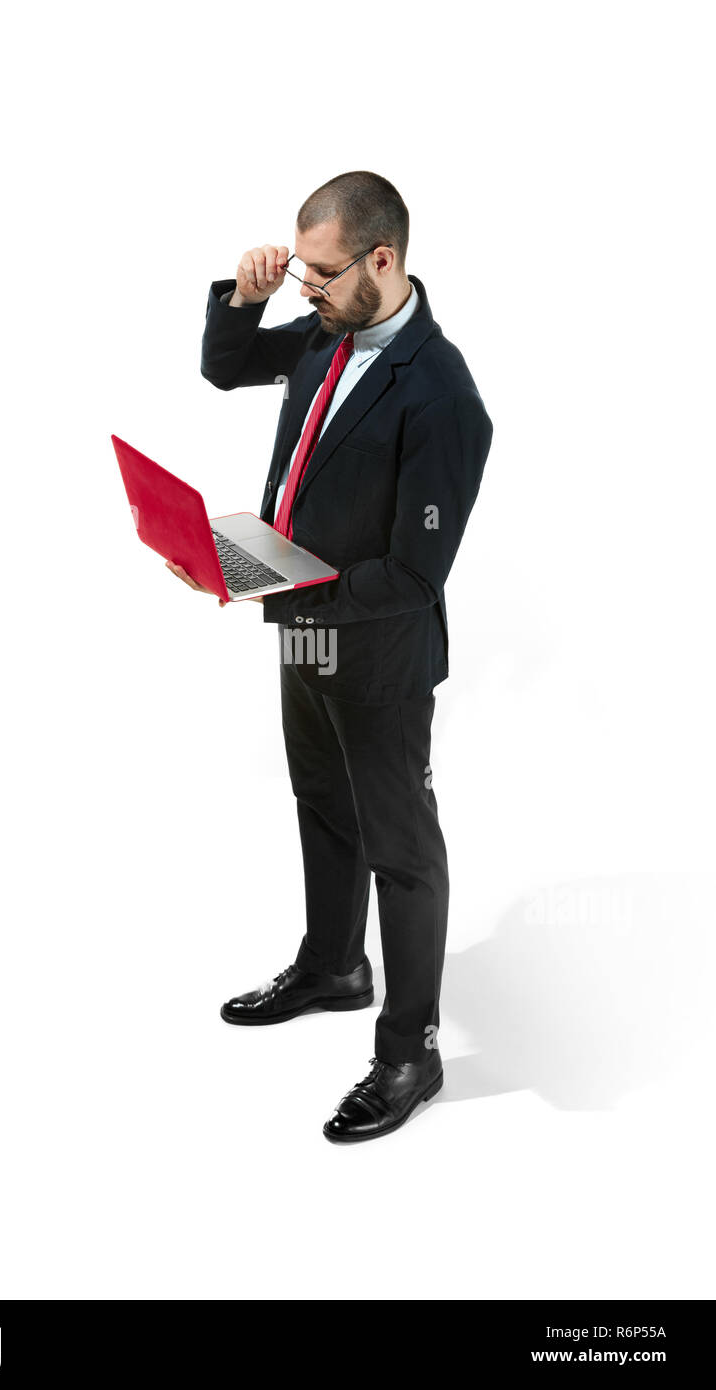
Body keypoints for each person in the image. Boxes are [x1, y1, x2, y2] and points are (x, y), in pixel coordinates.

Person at [170, 171, 493, 1142]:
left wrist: (265, 577)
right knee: (317, 797)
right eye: (298, 268)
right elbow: (226, 369)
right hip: (303, 627)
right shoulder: (326, 331)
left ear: (381, 260)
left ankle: (408, 1050)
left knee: (399, 848)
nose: (303, 284)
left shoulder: (440, 397)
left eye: (318, 270)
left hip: (381, 651)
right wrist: (246, 295)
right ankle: (332, 966)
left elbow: (410, 574)